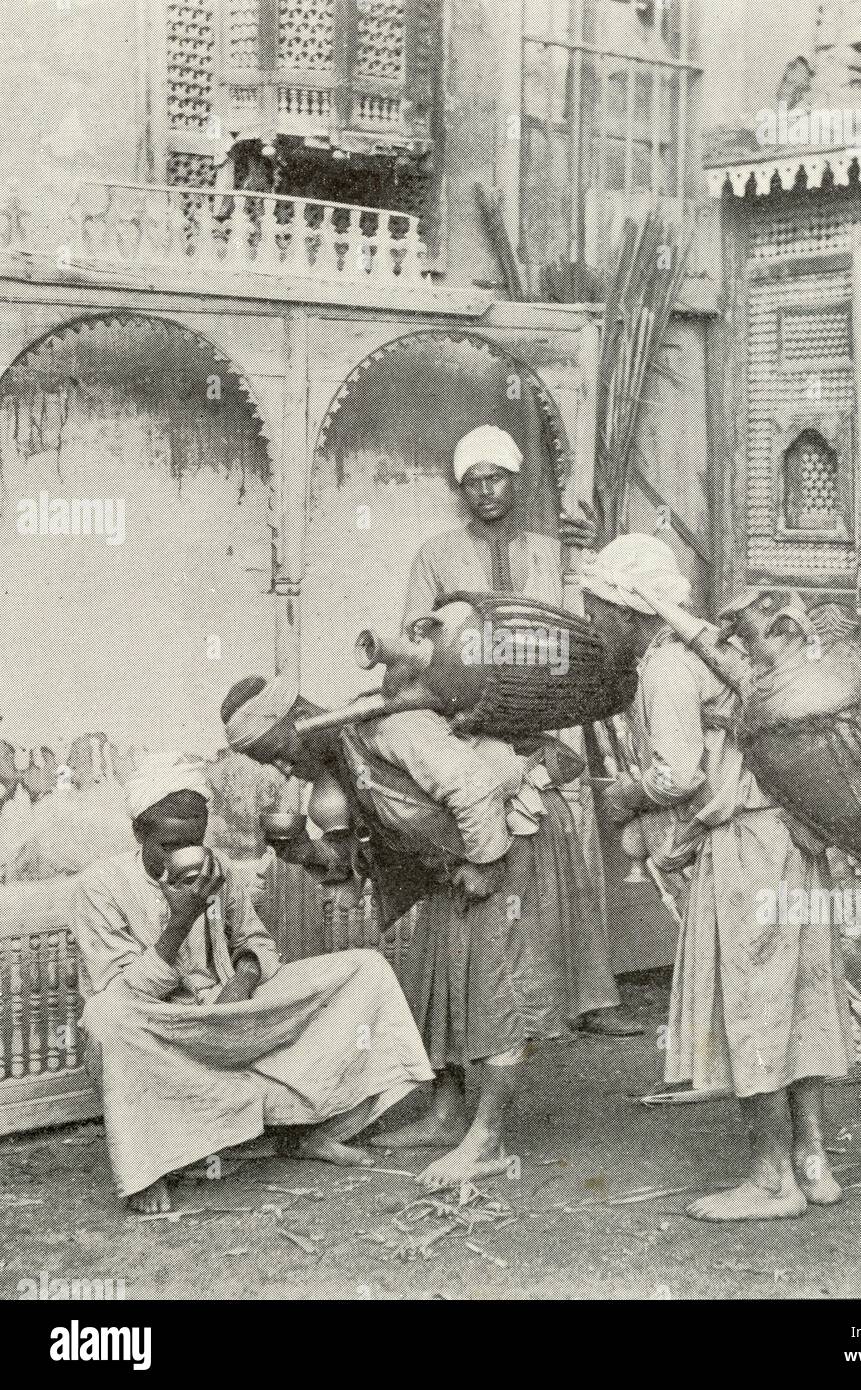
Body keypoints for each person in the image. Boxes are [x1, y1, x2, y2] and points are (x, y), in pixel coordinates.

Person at [222, 673, 623, 1187]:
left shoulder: (389, 728)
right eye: (265, 761)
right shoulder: (338, 766)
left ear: (298, 719)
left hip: (514, 840)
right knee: (442, 974)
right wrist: (305, 851)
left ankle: (487, 1142)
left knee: (498, 985)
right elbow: (381, 852)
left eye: (275, 750)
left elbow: (471, 787)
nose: (280, 767)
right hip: (457, 859)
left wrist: (485, 862)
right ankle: (447, 1112)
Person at [582, 535, 853, 1222]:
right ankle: (811, 1161)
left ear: (629, 611)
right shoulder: (723, 657)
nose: (593, 623)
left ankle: (769, 1179)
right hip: (790, 838)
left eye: (597, 609)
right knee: (793, 994)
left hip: (744, 846)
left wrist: (623, 794)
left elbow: (680, 774)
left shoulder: (666, 670)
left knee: (753, 1001)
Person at [71, 753, 433, 1215]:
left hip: (232, 1010)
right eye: (168, 843)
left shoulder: (215, 866)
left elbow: (256, 941)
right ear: (139, 834)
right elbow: (121, 993)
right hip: (165, 1027)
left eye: (194, 840)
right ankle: (151, 1163)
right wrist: (179, 922)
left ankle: (312, 1130)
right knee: (108, 1018)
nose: (185, 853)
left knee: (364, 970)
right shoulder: (99, 887)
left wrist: (242, 980)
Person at [400, 423, 642, 1037]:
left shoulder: (547, 547)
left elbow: (579, 631)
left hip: (543, 714)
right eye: (474, 482)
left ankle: (588, 997)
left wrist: (585, 558)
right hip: (471, 725)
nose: (486, 492)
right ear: (462, 489)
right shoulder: (435, 552)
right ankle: (500, 1008)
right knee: (490, 854)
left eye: (496, 480)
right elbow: (415, 640)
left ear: (514, 482)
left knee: (568, 842)